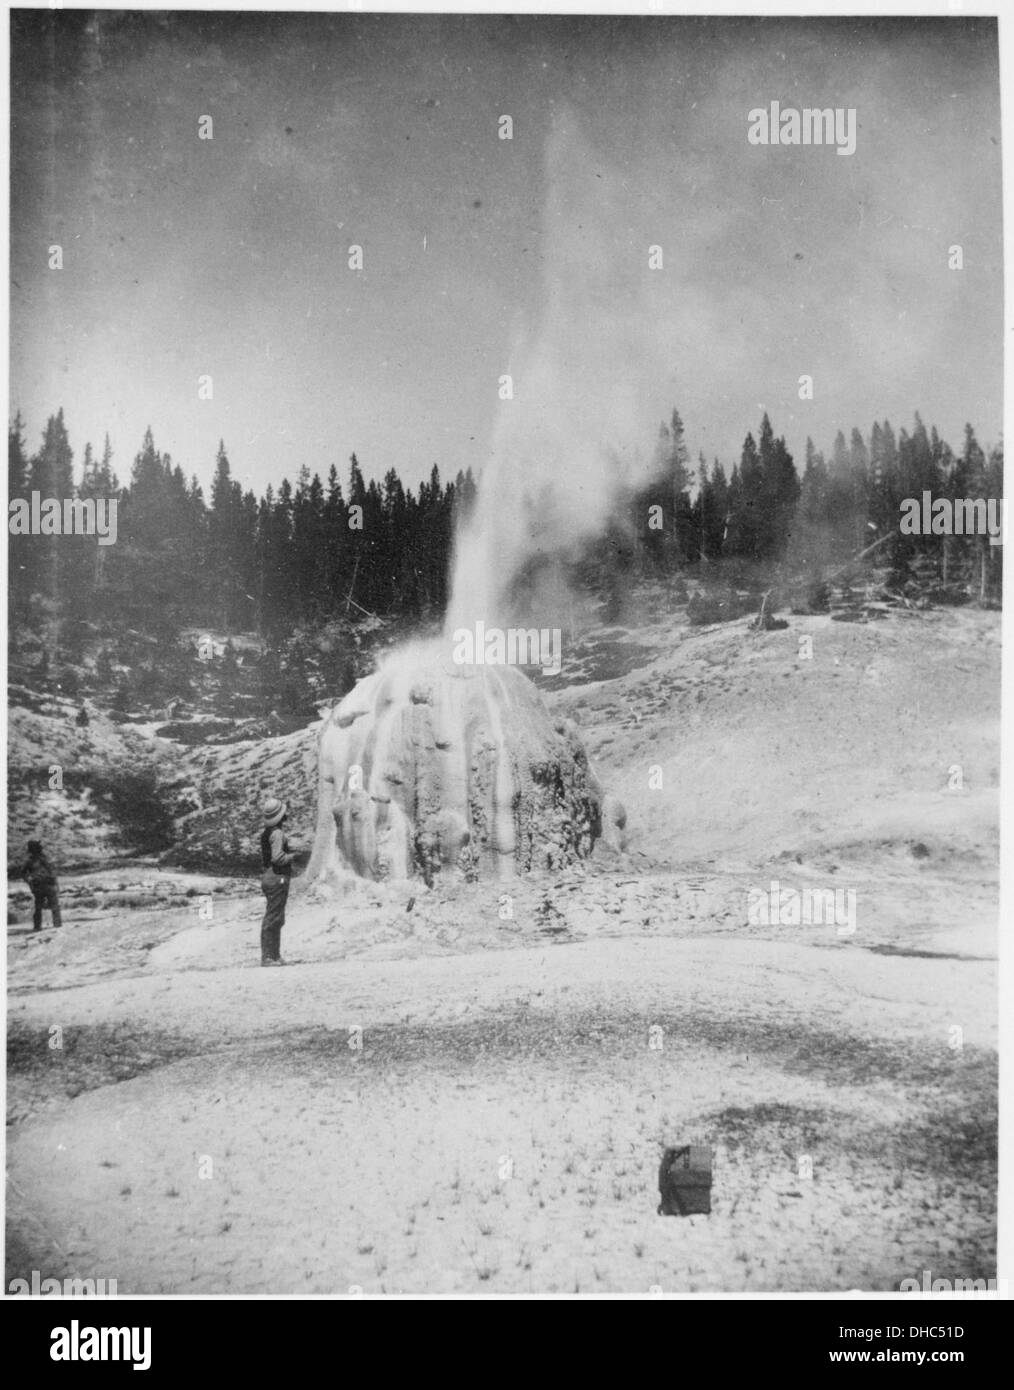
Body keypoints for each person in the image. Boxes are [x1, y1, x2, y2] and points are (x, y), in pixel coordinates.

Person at [259, 796, 297, 966]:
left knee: (275, 916)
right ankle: (269, 957)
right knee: (274, 917)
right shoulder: (278, 833)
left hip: (269, 876)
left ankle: (274, 955)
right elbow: (278, 858)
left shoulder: (267, 833)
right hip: (277, 877)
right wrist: (293, 856)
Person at [22, 840, 62, 932]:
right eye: (34, 849)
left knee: (52, 905)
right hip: (40, 885)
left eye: (36, 849)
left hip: (48, 884)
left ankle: (55, 925)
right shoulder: (30, 861)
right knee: (40, 907)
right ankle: (39, 926)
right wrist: (29, 881)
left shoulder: (43, 859)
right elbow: (23, 874)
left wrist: (56, 884)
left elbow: (53, 872)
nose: (36, 851)